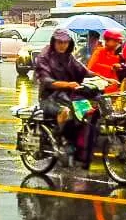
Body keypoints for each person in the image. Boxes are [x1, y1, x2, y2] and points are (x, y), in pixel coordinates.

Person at [34, 27, 91, 161]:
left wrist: (104, 79)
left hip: (67, 96)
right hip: (48, 98)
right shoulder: (44, 57)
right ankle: (58, 138)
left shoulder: (69, 57)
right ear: (53, 42)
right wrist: (67, 84)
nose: (62, 45)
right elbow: (46, 81)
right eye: (59, 42)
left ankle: (77, 142)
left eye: (65, 42)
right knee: (65, 111)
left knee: (86, 110)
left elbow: (83, 71)